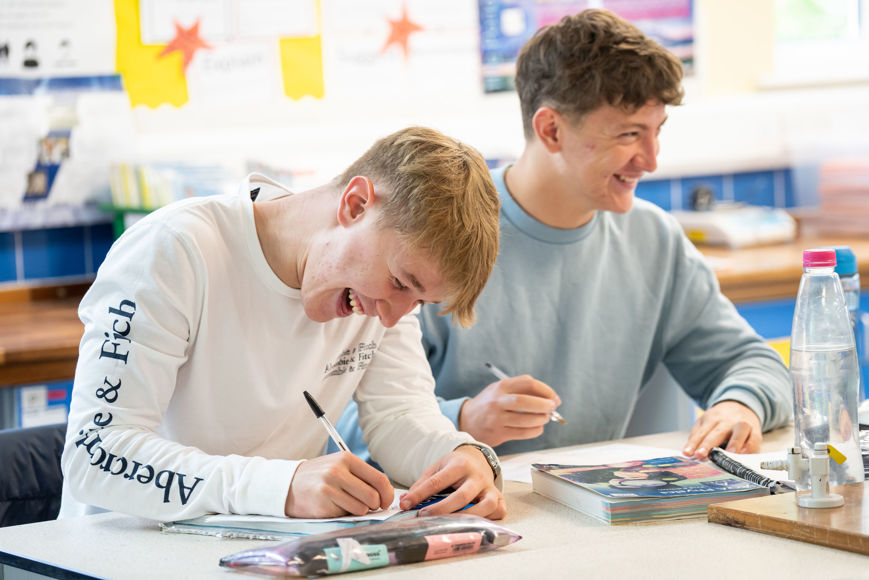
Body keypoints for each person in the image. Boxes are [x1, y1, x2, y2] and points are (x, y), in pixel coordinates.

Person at [335, 9, 792, 462]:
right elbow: (336, 426)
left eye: (656, 132)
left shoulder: (652, 239)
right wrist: (463, 418)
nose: (651, 160)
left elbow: (756, 364)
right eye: (630, 134)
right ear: (551, 129)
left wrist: (740, 405)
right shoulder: (434, 236)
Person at [59, 126, 506, 522]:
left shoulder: (381, 299)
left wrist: (462, 456)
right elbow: (97, 454)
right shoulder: (175, 250)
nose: (391, 315)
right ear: (355, 204)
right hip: (122, 550)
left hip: (265, 550)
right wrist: (282, 487)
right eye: (400, 283)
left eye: (419, 300)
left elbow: (400, 417)